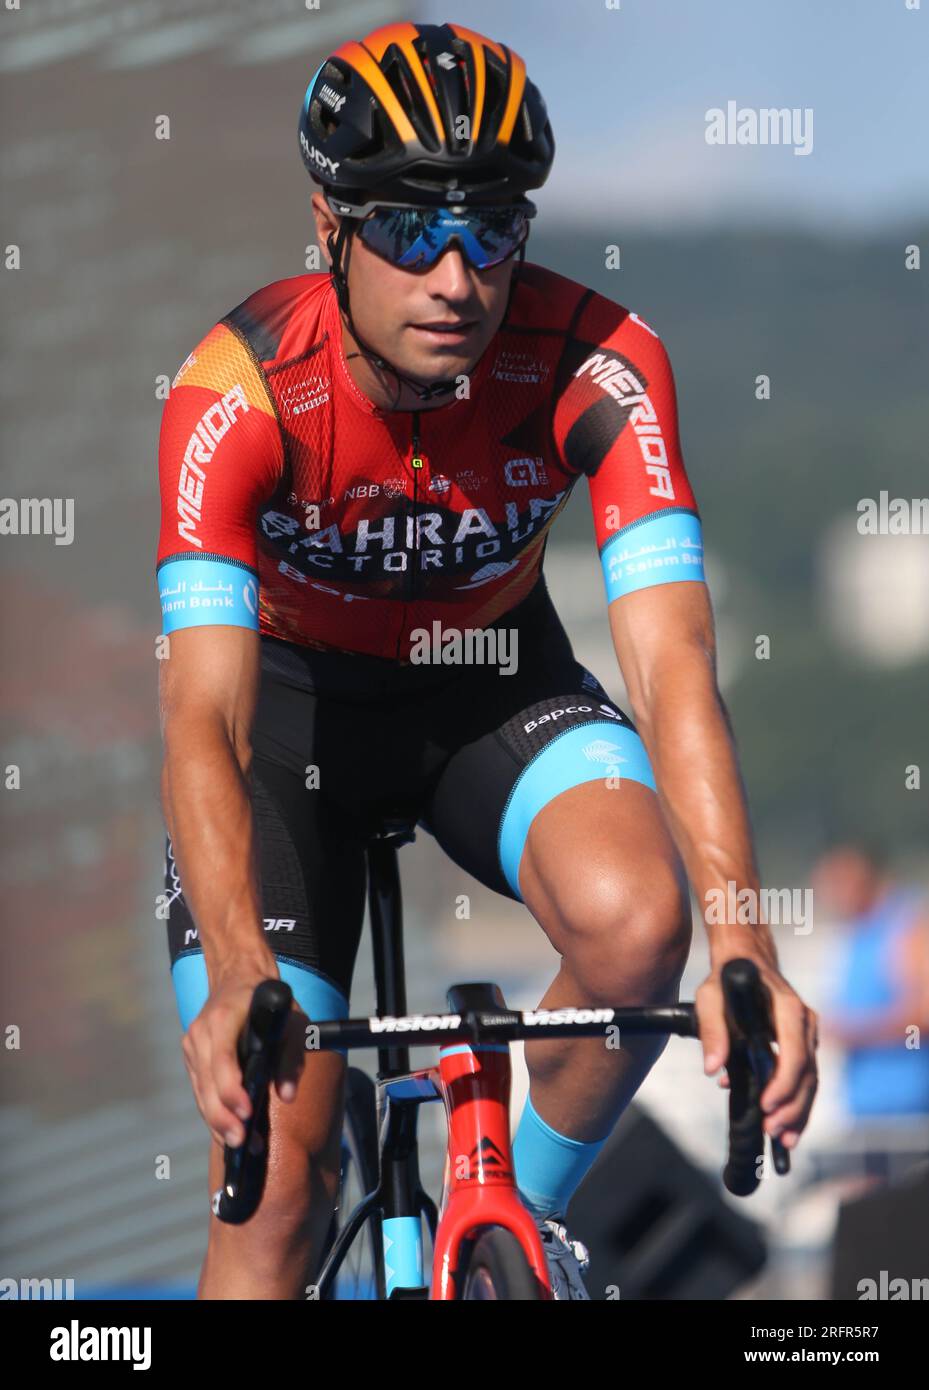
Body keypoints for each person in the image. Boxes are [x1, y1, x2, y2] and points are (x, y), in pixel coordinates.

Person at [156, 19, 818, 1300]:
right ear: (328, 223)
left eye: (492, 227)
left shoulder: (601, 364)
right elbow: (203, 720)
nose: (455, 274)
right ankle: (319, 1167)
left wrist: (744, 943)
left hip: (488, 684)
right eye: (410, 230)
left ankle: (505, 1225)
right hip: (287, 726)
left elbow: (673, 661)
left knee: (639, 927)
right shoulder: (233, 392)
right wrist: (239, 967)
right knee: (279, 1169)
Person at [816, 843, 929, 1121]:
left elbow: (923, 1015)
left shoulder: (906, 926)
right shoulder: (859, 931)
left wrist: (850, 1030)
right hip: (870, 1113)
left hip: (911, 1115)